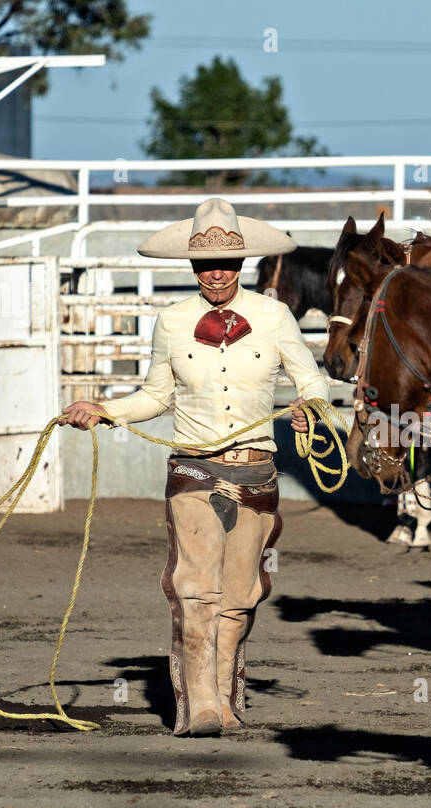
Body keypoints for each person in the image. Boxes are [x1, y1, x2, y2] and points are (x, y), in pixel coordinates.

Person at [61, 198, 332, 737]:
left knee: (241, 594)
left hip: (256, 473)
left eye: (227, 264)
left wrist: (309, 409)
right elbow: (155, 395)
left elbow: (314, 384)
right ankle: (202, 703)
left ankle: (228, 697)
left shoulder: (275, 318)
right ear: (191, 267)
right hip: (193, 470)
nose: (215, 274)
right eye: (205, 265)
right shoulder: (173, 322)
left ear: (242, 263)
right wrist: (105, 410)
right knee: (195, 589)